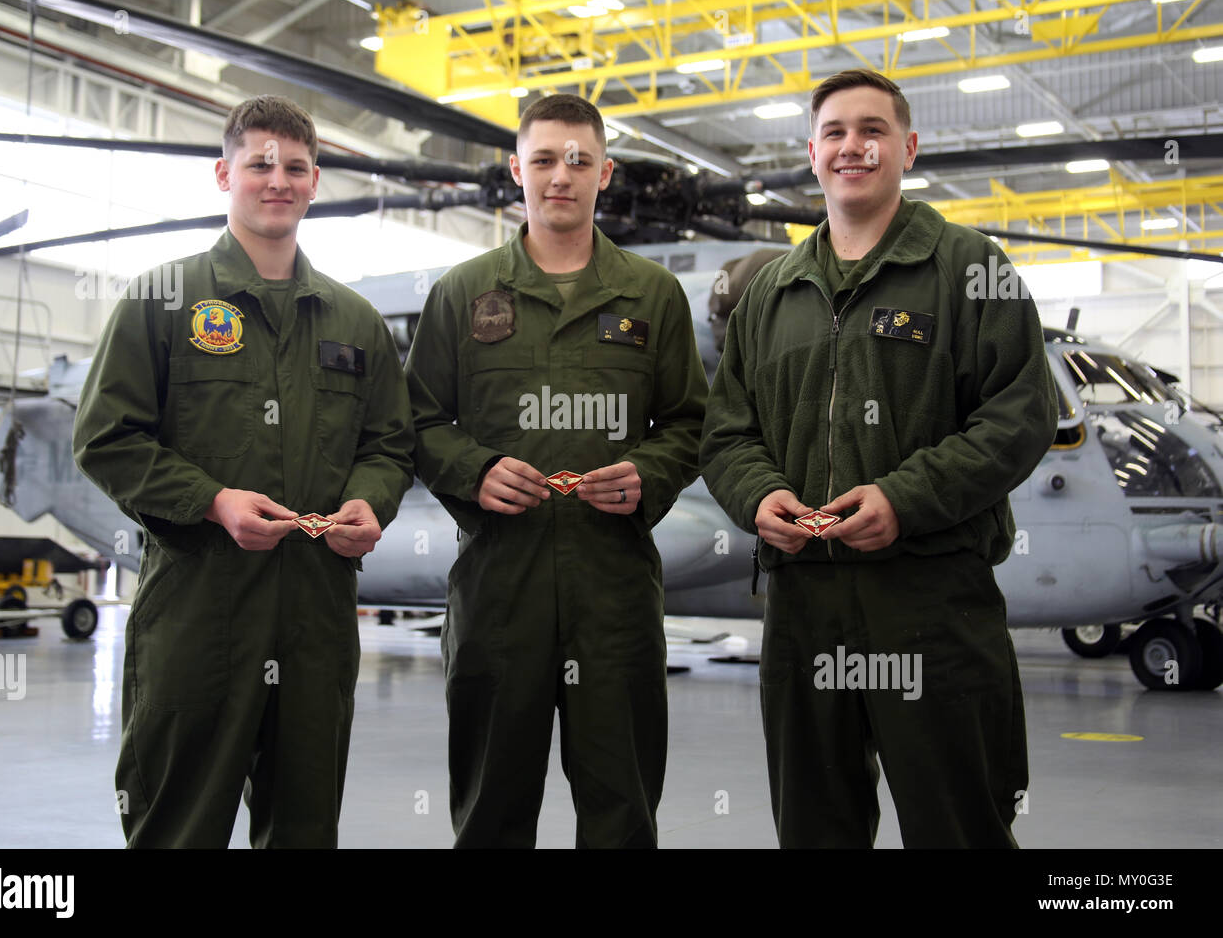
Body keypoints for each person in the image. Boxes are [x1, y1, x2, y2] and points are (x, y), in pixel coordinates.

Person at [700, 69, 1058, 848]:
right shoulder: (770, 293)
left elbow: (1023, 413)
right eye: (834, 132)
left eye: (872, 130)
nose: (852, 146)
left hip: (930, 598)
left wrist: (906, 498)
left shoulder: (971, 266)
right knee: (813, 824)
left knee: (960, 822)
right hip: (802, 606)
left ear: (909, 148)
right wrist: (759, 497)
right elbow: (726, 432)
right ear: (812, 152)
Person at [73, 95, 415, 848]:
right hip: (199, 614)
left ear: (316, 181)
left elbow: (390, 445)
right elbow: (106, 437)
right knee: (177, 825)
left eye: (295, 166)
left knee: (304, 829)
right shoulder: (162, 301)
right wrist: (212, 501)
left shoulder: (356, 324)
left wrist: (369, 503)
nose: (277, 179)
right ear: (224, 172)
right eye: (259, 163)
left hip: (317, 621)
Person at [405, 93, 708, 848]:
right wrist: (474, 472)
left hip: (615, 593)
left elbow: (691, 422)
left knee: (622, 809)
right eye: (543, 159)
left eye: (579, 160)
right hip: (497, 590)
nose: (560, 177)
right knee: (490, 812)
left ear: (604, 173)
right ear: (516, 170)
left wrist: (647, 474)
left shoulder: (653, 295)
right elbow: (413, 421)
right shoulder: (462, 294)